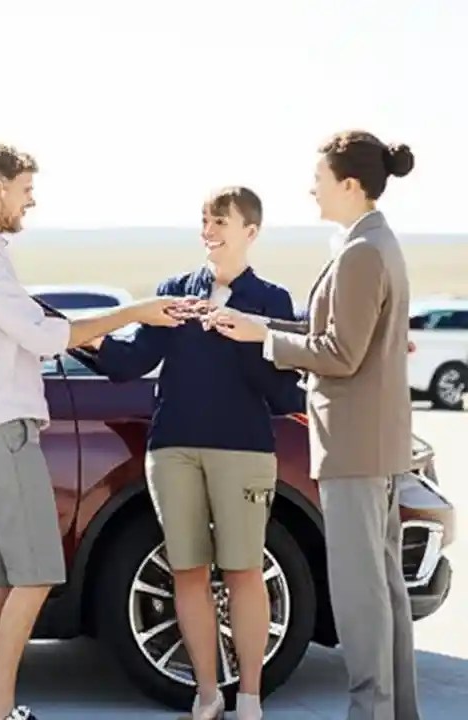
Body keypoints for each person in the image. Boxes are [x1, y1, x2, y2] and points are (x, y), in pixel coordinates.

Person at [0, 143, 188, 720]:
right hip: (1, 433)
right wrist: (136, 313)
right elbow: (43, 337)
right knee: (37, 575)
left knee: (0, 582)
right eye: (25, 190)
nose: (31, 201)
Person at [205, 130, 419, 720]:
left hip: (354, 446)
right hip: (374, 444)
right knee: (384, 593)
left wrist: (268, 340)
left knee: (360, 598)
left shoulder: (360, 253)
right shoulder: (377, 245)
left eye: (320, 180)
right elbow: (340, 337)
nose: (312, 189)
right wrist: (255, 324)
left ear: (349, 184)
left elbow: (340, 353)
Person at [87, 187, 303, 720]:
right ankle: (206, 694)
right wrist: (77, 335)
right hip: (173, 451)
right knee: (187, 570)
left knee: (243, 571)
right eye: (204, 220)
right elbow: (130, 362)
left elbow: (278, 391)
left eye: (220, 221)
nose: (208, 229)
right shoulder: (175, 292)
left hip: (244, 451)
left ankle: (249, 697)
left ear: (250, 231)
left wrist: (245, 337)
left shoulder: (271, 301)